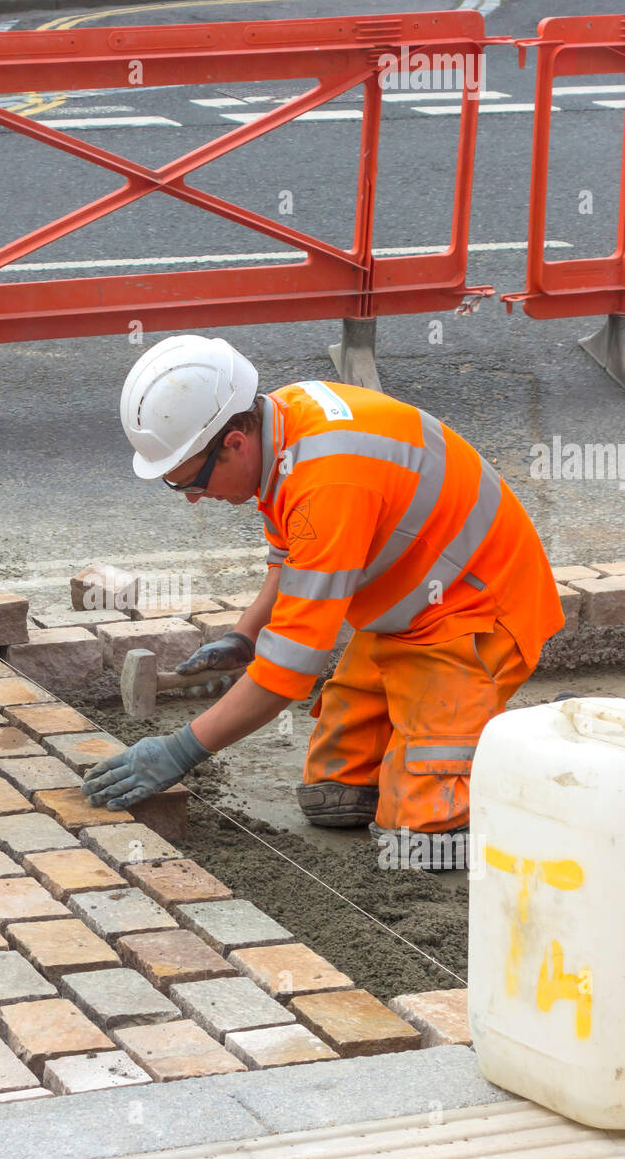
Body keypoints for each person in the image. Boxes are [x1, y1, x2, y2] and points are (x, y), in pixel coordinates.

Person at [81, 334, 564, 871]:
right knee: (332, 795)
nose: (194, 497)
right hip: (401, 617)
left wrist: (180, 751)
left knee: (417, 841)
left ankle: (541, 806)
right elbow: (289, 557)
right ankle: (423, 757)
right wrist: (243, 636)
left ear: (234, 441)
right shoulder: (283, 423)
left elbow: (286, 674)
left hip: (475, 615)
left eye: (190, 480)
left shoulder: (328, 479)